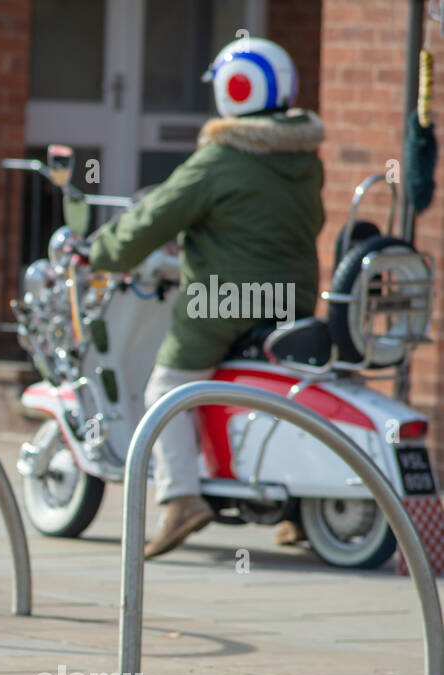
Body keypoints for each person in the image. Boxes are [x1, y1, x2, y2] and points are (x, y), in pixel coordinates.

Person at [85, 37, 324, 558]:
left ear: (232, 92)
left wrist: (101, 251)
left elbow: (153, 217)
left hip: (225, 300)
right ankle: (292, 511)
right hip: (293, 298)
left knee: (167, 386)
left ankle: (182, 498)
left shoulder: (220, 157)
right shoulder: (305, 158)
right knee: (282, 394)